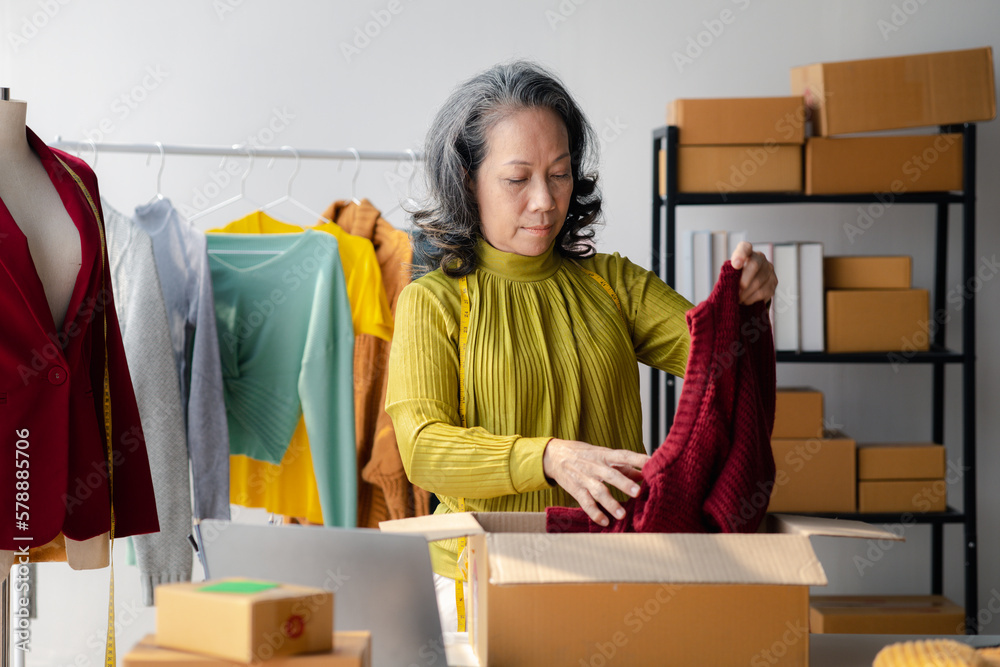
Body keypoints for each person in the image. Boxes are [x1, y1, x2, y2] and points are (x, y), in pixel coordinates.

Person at [385, 60, 777, 630]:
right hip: (480, 581)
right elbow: (422, 449)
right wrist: (548, 458)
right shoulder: (434, 302)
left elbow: (718, 361)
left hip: (616, 572)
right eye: (518, 179)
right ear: (468, 180)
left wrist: (747, 300)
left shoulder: (611, 283)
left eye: (561, 173)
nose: (545, 201)